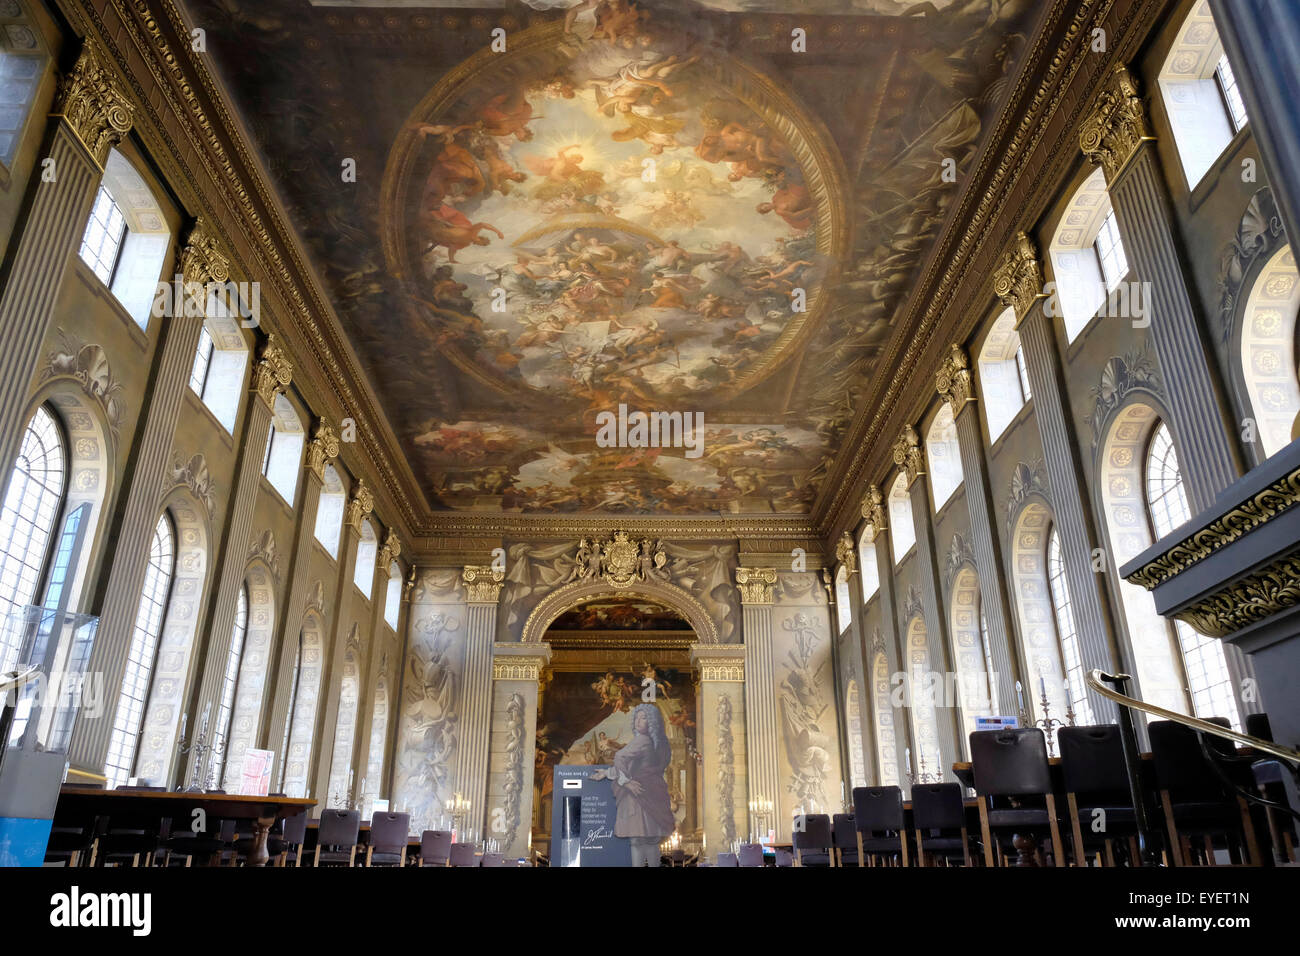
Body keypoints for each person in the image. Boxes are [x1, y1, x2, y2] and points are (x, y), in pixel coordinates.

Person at [599, 703, 675, 866]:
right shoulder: (661, 743)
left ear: (652, 722)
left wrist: (626, 783)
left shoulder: (642, 740)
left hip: (639, 795)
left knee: (638, 840)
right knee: (651, 840)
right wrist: (608, 773)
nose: (638, 721)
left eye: (644, 718)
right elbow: (640, 767)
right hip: (654, 791)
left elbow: (620, 758)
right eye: (637, 717)